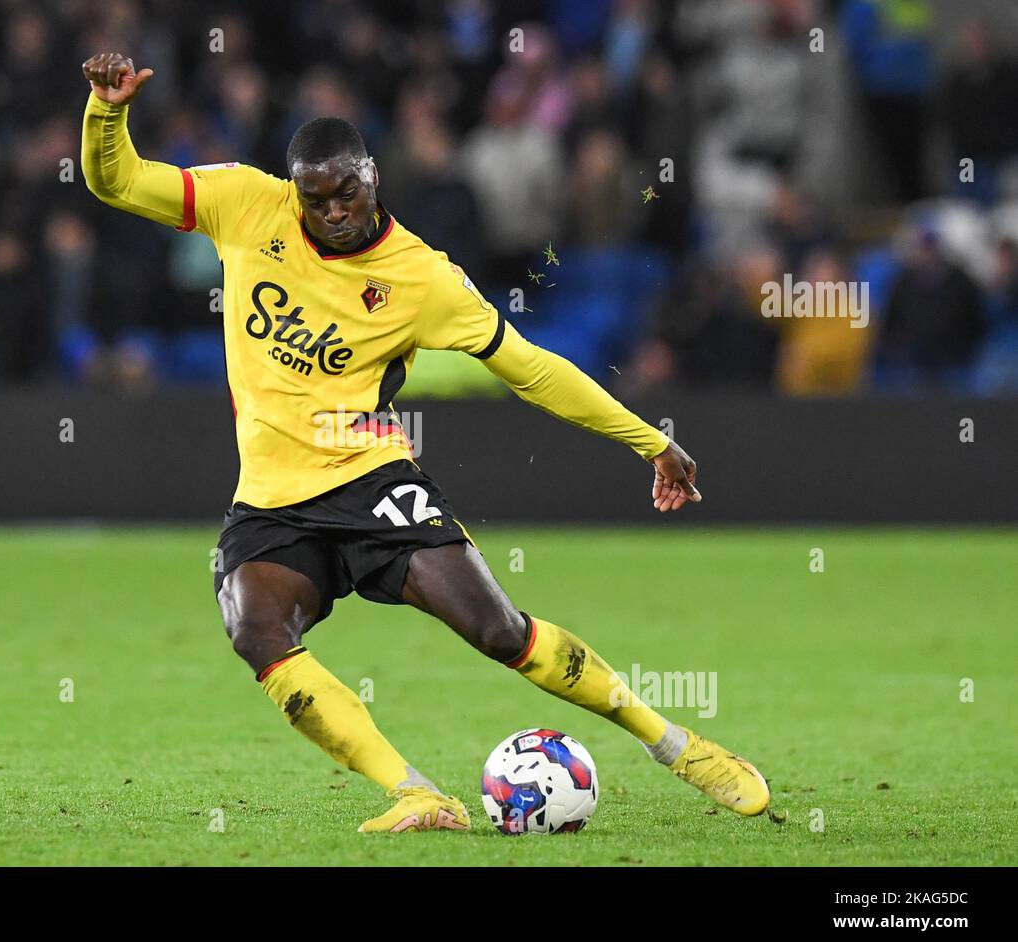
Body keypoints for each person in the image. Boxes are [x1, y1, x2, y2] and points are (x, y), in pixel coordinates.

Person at [80, 53, 770, 832]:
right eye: (316, 200)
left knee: (500, 632)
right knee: (255, 629)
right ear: (294, 192)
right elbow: (118, 182)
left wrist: (650, 440)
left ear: (373, 177)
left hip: (370, 480)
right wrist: (107, 112)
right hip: (271, 498)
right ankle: (416, 792)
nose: (334, 211)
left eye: (347, 192)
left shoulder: (421, 278)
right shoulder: (244, 202)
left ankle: (678, 745)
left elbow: (533, 370)